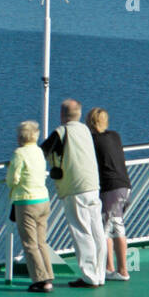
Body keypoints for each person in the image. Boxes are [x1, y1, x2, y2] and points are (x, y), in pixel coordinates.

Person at [41, 99, 105, 287]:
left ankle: (89, 277)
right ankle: (99, 274)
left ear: (62, 115)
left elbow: (41, 152)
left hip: (75, 189)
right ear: (79, 114)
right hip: (93, 186)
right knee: (97, 231)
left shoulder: (61, 132)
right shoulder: (86, 130)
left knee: (81, 231)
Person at [7, 120, 53, 292]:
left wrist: (11, 185)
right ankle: (48, 276)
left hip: (27, 202)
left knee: (30, 244)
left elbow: (13, 179)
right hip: (43, 200)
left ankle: (41, 280)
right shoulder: (39, 151)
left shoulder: (19, 153)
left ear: (20, 136)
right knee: (41, 242)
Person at [87, 107, 132, 281]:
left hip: (111, 188)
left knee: (108, 228)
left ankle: (118, 270)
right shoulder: (115, 136)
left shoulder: (93, 141)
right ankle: (112, 268)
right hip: (124, 186)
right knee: (114, 225)